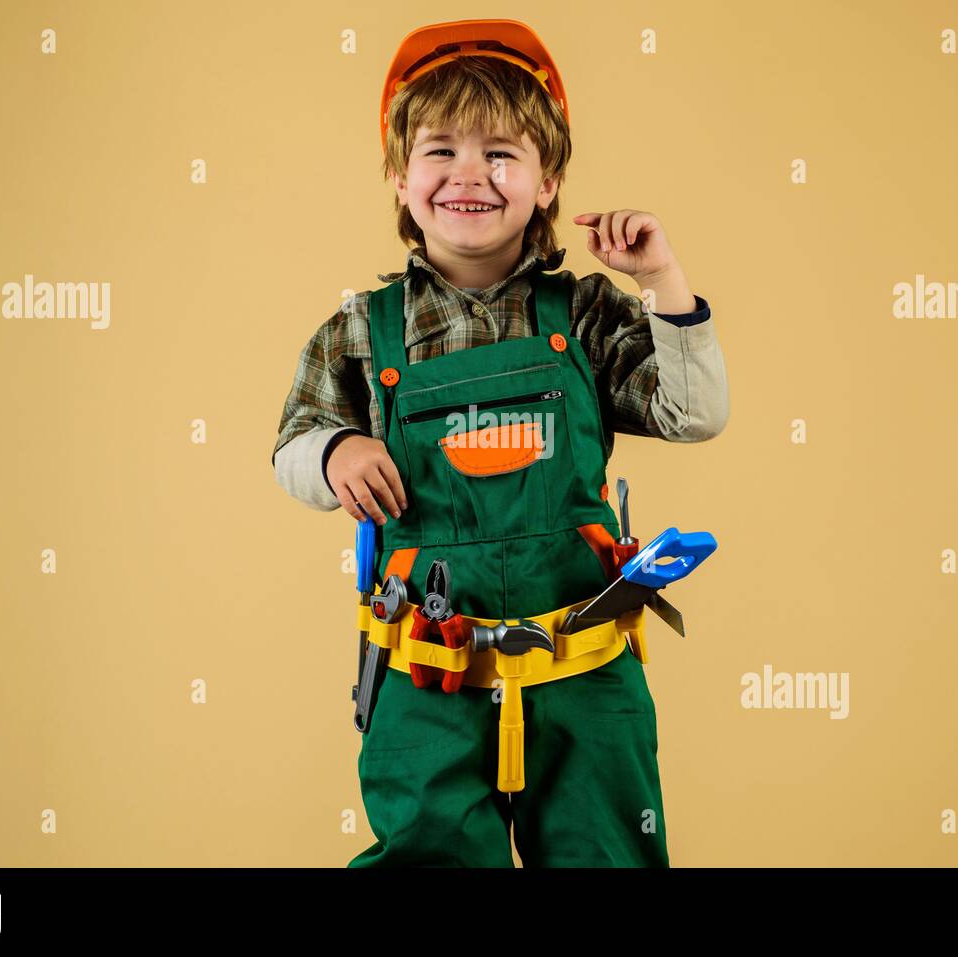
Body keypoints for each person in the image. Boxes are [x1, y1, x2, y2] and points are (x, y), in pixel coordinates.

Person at [271, 19, 730, 867]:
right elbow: (291, 445)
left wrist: (661, 279)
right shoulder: (362, 334)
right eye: (439, 150)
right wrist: (334, 452)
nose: (468, 175)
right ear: (399, 177)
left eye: (502, 154)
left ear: (548, 180)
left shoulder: (587, 317)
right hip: (429, 680)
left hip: (585, 677)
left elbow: (691, 411)